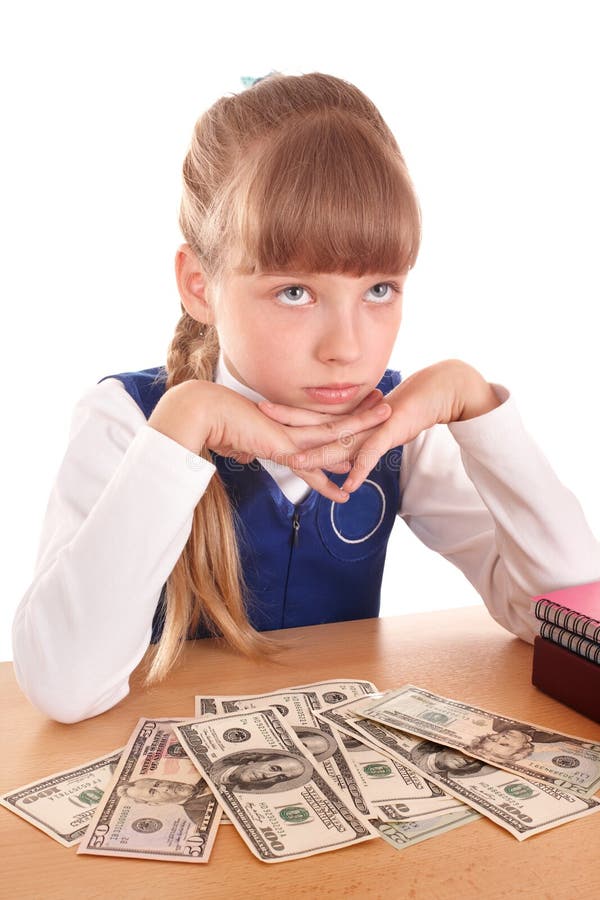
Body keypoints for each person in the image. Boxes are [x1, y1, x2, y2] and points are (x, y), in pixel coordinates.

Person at [11, 71, 600, 725]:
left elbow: (563, 619)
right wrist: (182, 424)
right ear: (200, 285)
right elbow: (65, 686)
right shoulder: (128, 421)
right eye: (295, 292)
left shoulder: (398, 427)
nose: (347, 348)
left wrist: (479, 409)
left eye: (379, 290)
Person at [116, 777, 214, 825]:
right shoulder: (199, 816)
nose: (165, 787)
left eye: (158, 784)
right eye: (153, 792)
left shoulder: (208, 774)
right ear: (155, 804)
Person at [209, 750, 312, 793]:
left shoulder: (230, 791)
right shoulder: (216, 765)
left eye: (281, 777)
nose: (268, 776)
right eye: (274, 768)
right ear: (255, 761)